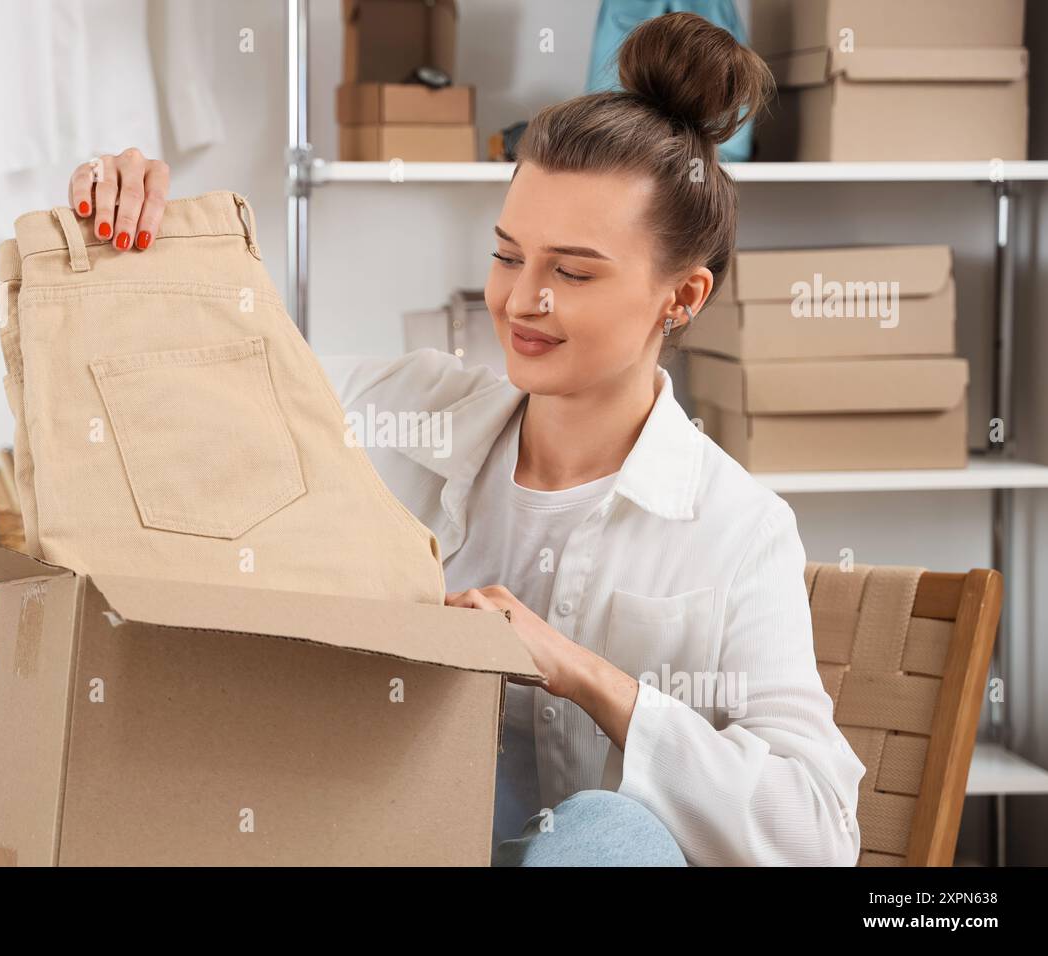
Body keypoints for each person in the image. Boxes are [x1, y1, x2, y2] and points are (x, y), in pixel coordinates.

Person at [66, 13, 866, 866]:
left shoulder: (738, 530)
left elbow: (816, 832)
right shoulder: (401, 412)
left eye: (573, 271)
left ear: (684, 295)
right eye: (507, 255)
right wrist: (139, 244)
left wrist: (580, 673)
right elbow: (183, 391)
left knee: (611, 834)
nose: (523, 301)